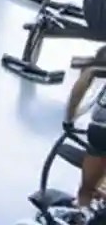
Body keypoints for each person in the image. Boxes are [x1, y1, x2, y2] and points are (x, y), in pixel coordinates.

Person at [63, 48, 106, 218]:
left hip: (100, 130)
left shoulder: (96, 71)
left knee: (87, 190)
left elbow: (85, 79)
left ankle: (83, 213)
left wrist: (69, 120)